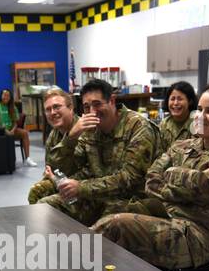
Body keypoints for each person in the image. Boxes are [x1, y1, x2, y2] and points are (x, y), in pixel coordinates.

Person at [93, 85, 209, 269]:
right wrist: (186, 185)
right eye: (200, 110)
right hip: (165, 216)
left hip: (198, 236)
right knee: (109, 212)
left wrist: (170, 173)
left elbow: (203, 188)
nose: (201, 117)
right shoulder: (183, 145)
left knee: (117, 226)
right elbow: (152, 180)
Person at [39, 78, 158, 226]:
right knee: (45, 207)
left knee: (103, 227)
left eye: (97, 104)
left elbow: (130, 178)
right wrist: (71, 137)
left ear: (112, 101)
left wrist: (81, 187)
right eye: (87, 107)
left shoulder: (137, 126)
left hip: (131, 200)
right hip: (98, 196)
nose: (92, 111)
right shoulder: (90, 128)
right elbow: (65, 170)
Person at [27, 87, 82, 204]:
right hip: (61, 182)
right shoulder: (54, 135)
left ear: (70, 107)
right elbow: (50, 170)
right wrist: (55, 179)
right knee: (36, 191)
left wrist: (56, 179)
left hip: (82, 187)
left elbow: (91, 172)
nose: (52, 112)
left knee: (45, 204)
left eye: (56, 107)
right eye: (48, 109)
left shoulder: (84, 130)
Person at [0, 87, 34, 166]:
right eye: (4, 95)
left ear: (10, 97)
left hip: (12, 131)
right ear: (1, 96)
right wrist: (6, 131)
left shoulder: (13, 107)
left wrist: (12, 131)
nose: (6, 97)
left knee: (24, 133)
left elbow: (15, 123)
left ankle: (27, 158)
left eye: (8, 95)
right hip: (1, 131)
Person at [156, 80, 197, 157]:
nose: (175, 103)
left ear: (190, 101)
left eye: (180, 99)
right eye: (172, 99)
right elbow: (159, 154)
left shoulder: (197, 123)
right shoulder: (163, 125)